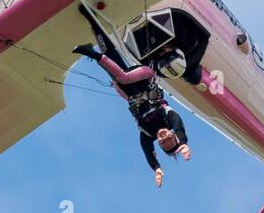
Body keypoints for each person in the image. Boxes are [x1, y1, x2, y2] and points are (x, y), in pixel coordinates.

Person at [72, 37, 192, 188]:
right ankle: (92, 53)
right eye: (169, 139)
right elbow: (178, 122)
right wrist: (183, 143)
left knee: (114, 66)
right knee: (122, 77)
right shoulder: (168, 117)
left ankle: (94, 37)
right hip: (145, 78)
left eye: (163, 144)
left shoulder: (147, 134)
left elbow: (148, 151)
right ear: (173, 134)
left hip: (129, 91)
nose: (164, 139)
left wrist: (156, 168)